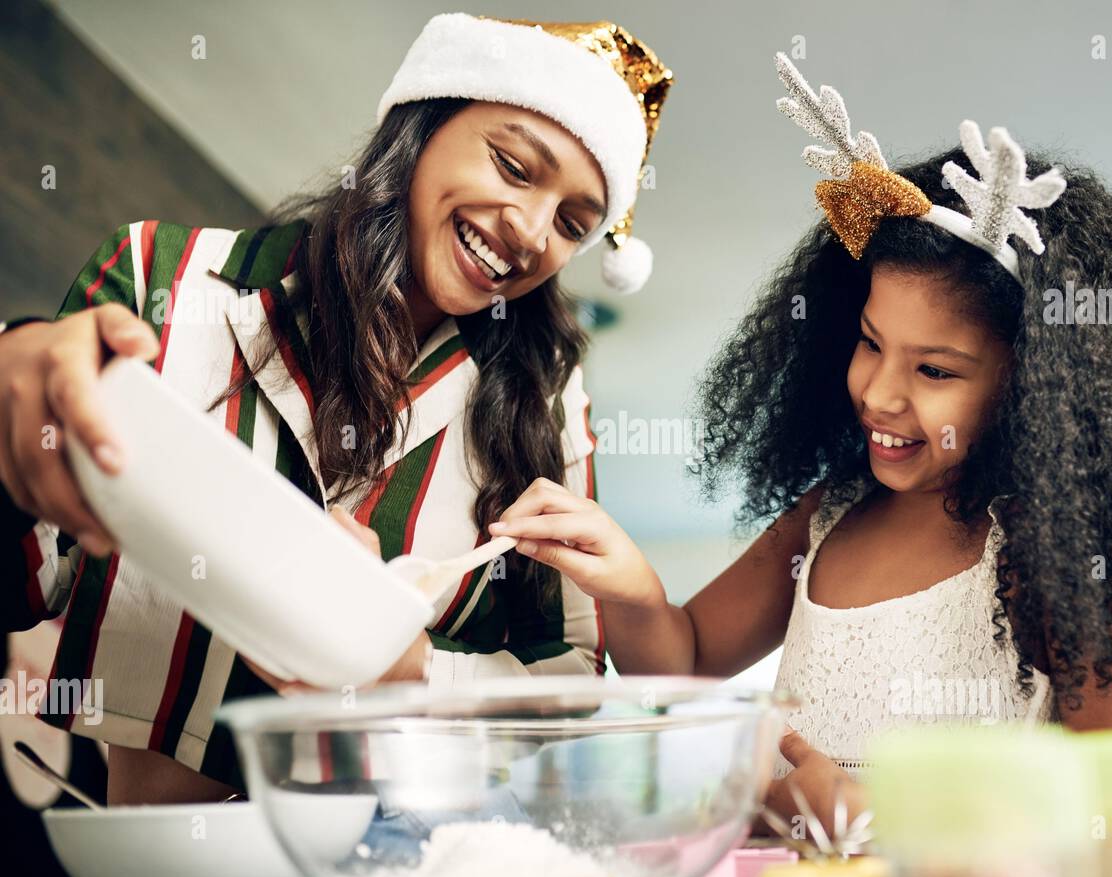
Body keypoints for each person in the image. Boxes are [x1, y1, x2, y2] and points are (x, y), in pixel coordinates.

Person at [485, 54, 1112, 832]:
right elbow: (685, 661)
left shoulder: (1074, 569)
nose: (878, 392)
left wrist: (873, 821)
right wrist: (632, 591)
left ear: (1040, 390)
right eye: (870, 342)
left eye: (936, 370)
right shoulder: (829, 515)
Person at [0, 13, 673, 804]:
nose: (530, 233)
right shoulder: (162, 279)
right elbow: (27, 577)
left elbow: (565, 694)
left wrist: (409, 669)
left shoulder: (545, 406)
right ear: (423, 122)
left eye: (572, 224)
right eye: (514, 165)